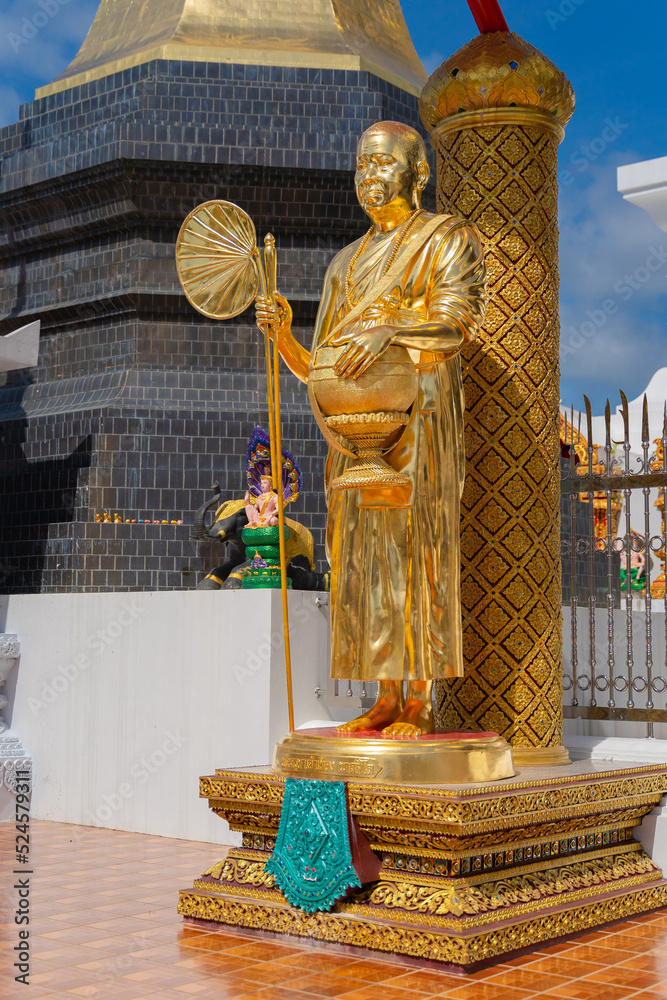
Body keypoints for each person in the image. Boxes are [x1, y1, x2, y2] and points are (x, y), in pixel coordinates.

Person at [256, 120, 486, 736]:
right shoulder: (344, 264)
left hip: (418, 424)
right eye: (361, 165)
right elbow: (324, 366)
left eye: (383, 163)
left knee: (416, 553)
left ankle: (420, 699)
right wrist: (283, 335)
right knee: (363, 560)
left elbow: (458, 325)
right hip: (353, 434)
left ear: (418, 172)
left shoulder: (444, 239)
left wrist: (394, 329)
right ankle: (384, 695)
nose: (370, 176)